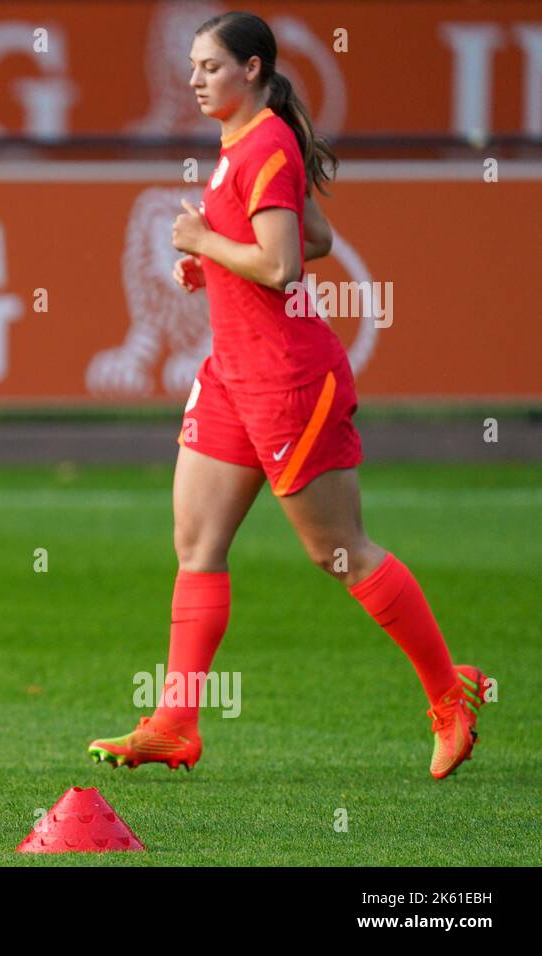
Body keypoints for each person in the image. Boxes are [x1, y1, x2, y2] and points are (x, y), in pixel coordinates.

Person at [89, 11, 487, 779]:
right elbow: (315, 236)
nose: (195, 79)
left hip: (287, 381)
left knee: (338, 551)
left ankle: (449, 696)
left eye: (210, 66)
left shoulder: (264, 141)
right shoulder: (247, 140)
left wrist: (204, 243)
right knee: (196, 544)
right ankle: (176, 721)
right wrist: (211, 263)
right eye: (194, 66)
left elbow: (283, 269)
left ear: (254, 67)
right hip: (232, 375)